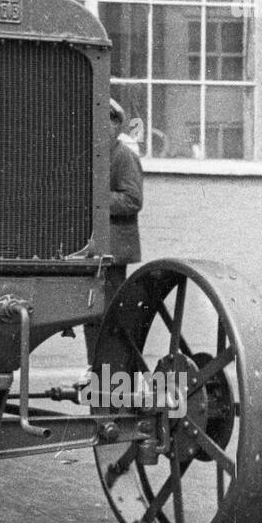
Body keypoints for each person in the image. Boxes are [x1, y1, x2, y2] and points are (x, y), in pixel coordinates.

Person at [84, 97, 144, 361]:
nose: (101, 126)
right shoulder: (92, 156)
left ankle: (112, 369)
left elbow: (133, 200)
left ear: (117, 125)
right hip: (94, 251)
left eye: (108, 121)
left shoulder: (124, 156)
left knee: (110, 315)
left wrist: (94, 198)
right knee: (91, 313)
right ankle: (96, 367)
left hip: (114, 252)